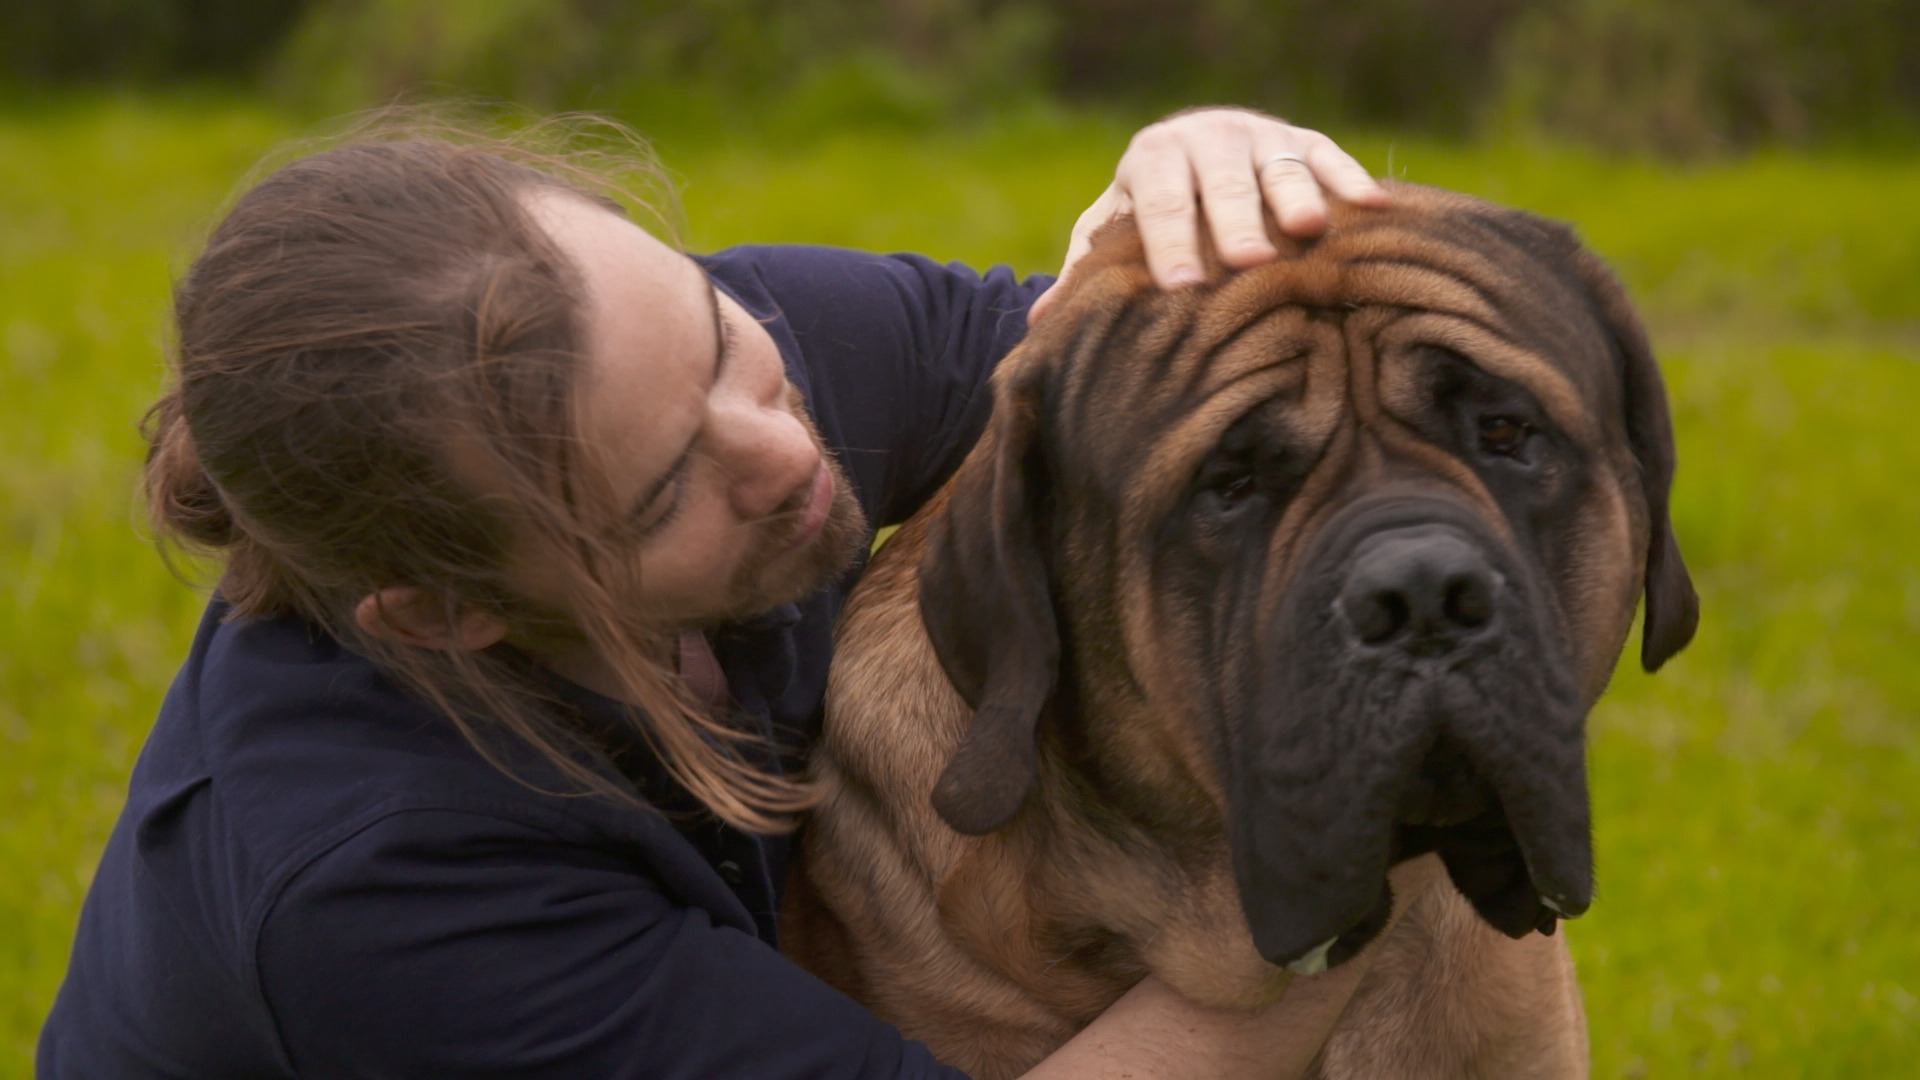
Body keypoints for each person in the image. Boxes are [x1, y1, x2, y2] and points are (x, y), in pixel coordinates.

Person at [38, 107, 1394, 1078]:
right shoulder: (383, 888)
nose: (788, 447)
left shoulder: (755, 369)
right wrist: (1339, 899)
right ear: (454, 615)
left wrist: (1200, 167)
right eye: (659, 496)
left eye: (711, 335)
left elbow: (1133, 399)